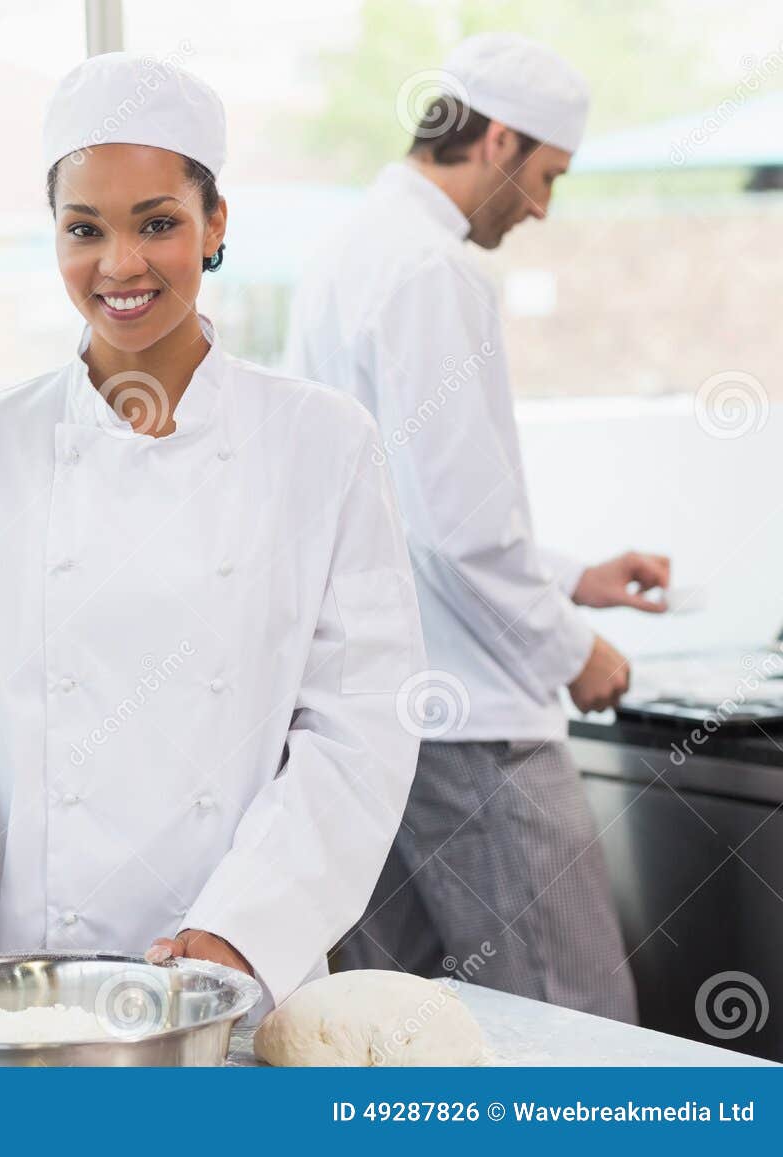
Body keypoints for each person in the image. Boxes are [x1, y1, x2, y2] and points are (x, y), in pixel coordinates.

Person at [0, 53, 425, 1006]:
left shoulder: (320, 442)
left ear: (214, 226)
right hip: (21, 980)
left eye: (157, 223)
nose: (119, 265)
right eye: (85, 229)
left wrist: (242, 927)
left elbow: (360, 724)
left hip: (233, 968)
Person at [285, 33, 668, 1020]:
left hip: (373, 713)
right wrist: (570, 645)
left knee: (389, 1019)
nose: (542, 205)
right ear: (497, 142)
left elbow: (395, 501)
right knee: (570, 1018)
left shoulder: (345, 250)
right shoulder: (432, 272)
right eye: (546, 176)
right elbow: (457, 529)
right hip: (477, 726)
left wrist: (575, 572)